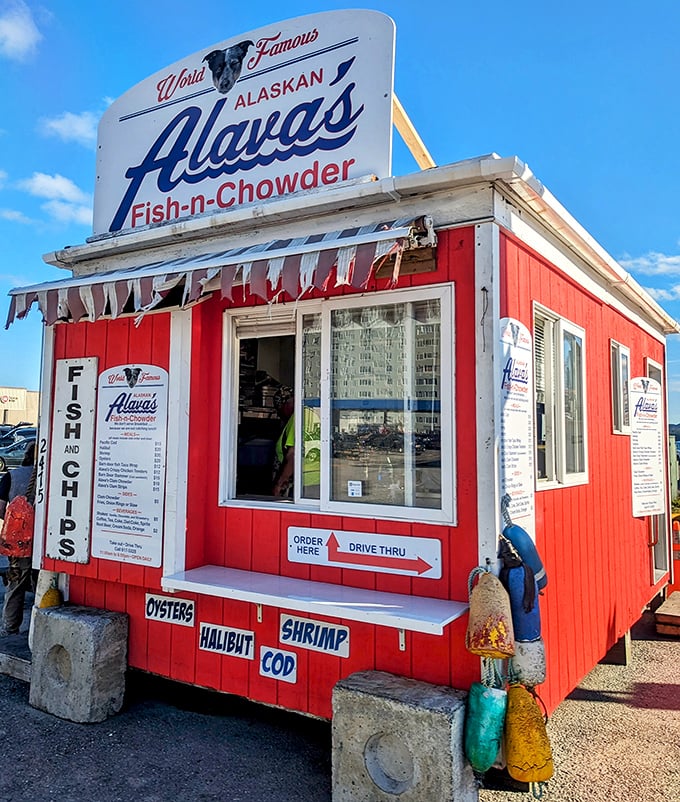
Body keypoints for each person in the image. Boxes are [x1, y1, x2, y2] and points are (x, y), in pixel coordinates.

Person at [0, 441, 36, 636]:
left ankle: (10, 626)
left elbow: (0, 509)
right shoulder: (51, 476)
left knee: (16, 585)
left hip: (19, 544)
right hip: (46, 541)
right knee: (45, 585)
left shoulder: (11, 476)